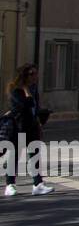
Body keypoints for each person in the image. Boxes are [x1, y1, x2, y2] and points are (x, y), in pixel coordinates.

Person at [4, 64, 53, 196]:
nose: (35, 76)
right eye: (32, 74)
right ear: (24, 76)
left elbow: (35, 108)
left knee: (35, 155)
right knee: (14, 156)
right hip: (18, 126)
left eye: (35, 73)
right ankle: (10, 184)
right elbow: (24, 105)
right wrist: (26, 91)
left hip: (31, 126)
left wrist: (39, 124)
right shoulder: (14, 89)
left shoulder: (34, 88)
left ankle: (38, 184)